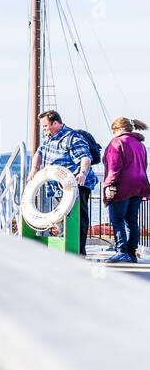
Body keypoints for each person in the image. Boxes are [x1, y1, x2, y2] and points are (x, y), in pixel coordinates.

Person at [29, 110, 95, 254]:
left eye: (46, 126)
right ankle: (63, 246)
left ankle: (78, 251)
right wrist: (34, 169)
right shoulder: (48, 138)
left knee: (78, 218)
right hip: (58, 187)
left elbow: (85, 157)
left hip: (77, 185)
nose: (44, 129)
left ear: (56, 123)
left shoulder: (73, 138)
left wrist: (83, 173)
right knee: (60, 217)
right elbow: (39, 153)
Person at [101, 117, 150, 263]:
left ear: (120, 130)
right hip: (139, 186)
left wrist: (108, 186)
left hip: (122, 187)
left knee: (117, 219)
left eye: (114, 130)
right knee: (132, 220)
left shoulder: (117, 142)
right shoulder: (140, 145)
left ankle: (121, 250)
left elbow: (114, 168)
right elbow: (144, 166)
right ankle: (131, 252)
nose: (113, 133)